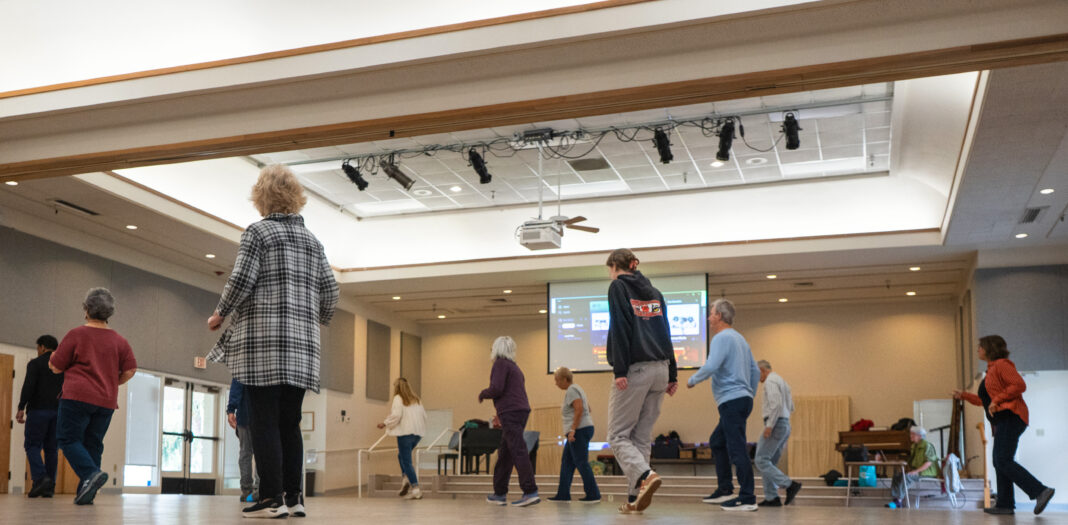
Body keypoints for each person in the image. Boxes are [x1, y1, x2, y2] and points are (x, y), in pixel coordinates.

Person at [207, 164, 339, 519]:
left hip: (262, 346)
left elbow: (242, 279)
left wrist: (220, 312)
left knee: (263, 420)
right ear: (296, 198)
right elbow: (331, 291)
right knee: (289, 423)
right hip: (302, 351)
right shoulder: (314, 242)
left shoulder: (258, 233)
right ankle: (294, 498)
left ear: (261, 197)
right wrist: (313, 321)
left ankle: (270, 498)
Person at [603, 248, 678, 515]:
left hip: (636, 369)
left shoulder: (618, 288)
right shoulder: (655, 293)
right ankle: (635, 497)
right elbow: (666, 331)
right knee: (641, 437)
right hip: (661, 368)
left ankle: (646, 475)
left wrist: (620, 370)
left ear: (614, 267)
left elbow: (621, 327)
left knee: (617, 435)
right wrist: (673, 374)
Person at [49, 288, 137, 506]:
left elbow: (55, 367)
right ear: (110, 313)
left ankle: (90, 474)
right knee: (93, 444)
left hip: (77, 397)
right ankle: (86, 491)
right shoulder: (120, 340)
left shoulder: (76, 334)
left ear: (86, 309)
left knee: (67, 439)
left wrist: (52, 358)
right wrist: (110, 381)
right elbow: (130, 370)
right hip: (106, 401)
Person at [954, 335, 1055, 515]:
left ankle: (1040, 491)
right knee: (1000, 461)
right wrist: (964, 395)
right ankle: (1005, 504)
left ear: (989, 348)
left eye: (980, 346)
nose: (978, 349)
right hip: (1003, 419)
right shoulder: (991, 371)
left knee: (1002, 459)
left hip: (1011, 416)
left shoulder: (1002, 365)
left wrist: (997, 400)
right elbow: (985, 401)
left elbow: (1019, 385)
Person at [687, 298, 761, 512]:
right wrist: (749, 394)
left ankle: (747, 498)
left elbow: (711, 365)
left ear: (719, 316)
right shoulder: (740, 339)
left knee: (737, 449)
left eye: (711, 313)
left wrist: (692, 380)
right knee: (717, 441)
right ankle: (725, 489)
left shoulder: (721, 338)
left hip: (732, 400)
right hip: (741, 400)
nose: (709, 318)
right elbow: (755, 372)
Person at [478, 336, 539, 507]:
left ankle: (530, 491)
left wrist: (483, 393)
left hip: (511, 412)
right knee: (505, 453)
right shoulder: (514, 367)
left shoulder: (500, 364)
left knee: (518, 450)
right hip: (518, 411)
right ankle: (499, 493)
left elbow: (497, 388)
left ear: (497, 349)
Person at [16, 334, 64, 498]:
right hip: (59, 412)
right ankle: (49, 488)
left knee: (32, 446)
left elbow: (28, 386)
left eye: (37, 348)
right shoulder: (64, 366)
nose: (37, 351)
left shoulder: (36, 363)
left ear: (43, 347)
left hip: (38, 411)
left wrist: (21, 406)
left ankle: (41, 478)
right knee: (52, 449)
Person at [547, 367, 601, 503]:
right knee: (567, 462)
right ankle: (563, 494)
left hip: (579, 431)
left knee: (581, 462)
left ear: (565, 379)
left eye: (557, 380)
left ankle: (593, 494)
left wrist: (572, 430)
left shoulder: (571, 390)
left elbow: (580, 409)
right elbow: (588, 408)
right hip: (583, 428)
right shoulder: (578, 389)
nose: (556, 383)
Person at [753, 360, 801, 507]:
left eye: (757, 373)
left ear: (762, 370)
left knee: (760, 460)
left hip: (775, 423)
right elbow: (791, 406)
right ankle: (772, 498)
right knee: (769, 462)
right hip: (784, 423)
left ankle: (789, 484)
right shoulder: (782, 382)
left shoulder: (770, 381)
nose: (756, 378)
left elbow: (776, 404)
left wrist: (770, 425)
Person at [377, 377, 428, 500]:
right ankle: (405, 478)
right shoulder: (417, 400)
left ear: (397, 387)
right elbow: (424, 416)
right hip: (417, 434)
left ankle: (415, 489)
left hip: (405, 434)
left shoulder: (398, 398)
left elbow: (396, 415)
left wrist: (385, 423)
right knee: (401, 456)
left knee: (406, 461)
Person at [884, 426, 940, 508]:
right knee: (897, 476)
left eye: (913, 434)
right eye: (911, 434)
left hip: (927, 472)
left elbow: (929, 462)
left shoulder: (927, 446)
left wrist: (915, 471)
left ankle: (899, 500)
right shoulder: (914, 446)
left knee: (907, 477)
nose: (911, 436)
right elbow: (912, 461)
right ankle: (896, 499)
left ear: (920, 436)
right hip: (918, 471)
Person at [227, 378, 258, 503]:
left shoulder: (241, 366)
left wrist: (231, 410)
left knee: (245, 453)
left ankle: (246, 491)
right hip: (261, 417)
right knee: (261, 454)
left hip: (244, 416)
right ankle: (259, 490)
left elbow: (236, 388)